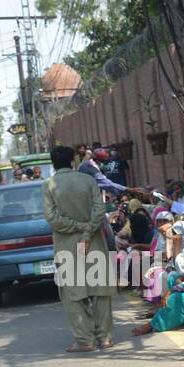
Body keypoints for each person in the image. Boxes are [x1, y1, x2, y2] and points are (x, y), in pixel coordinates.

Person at [42, 144, 114, 353]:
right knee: (100, 290)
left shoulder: (49, 185)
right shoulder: (88, 180)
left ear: (53, 163)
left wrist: (76, 227)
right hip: (93, 242)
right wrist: (88, 229)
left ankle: (85, 340)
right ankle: (106, 338)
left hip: (67, 245)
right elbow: (100, 209)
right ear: (73, 161)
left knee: (74, 293)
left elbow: (52, 218)